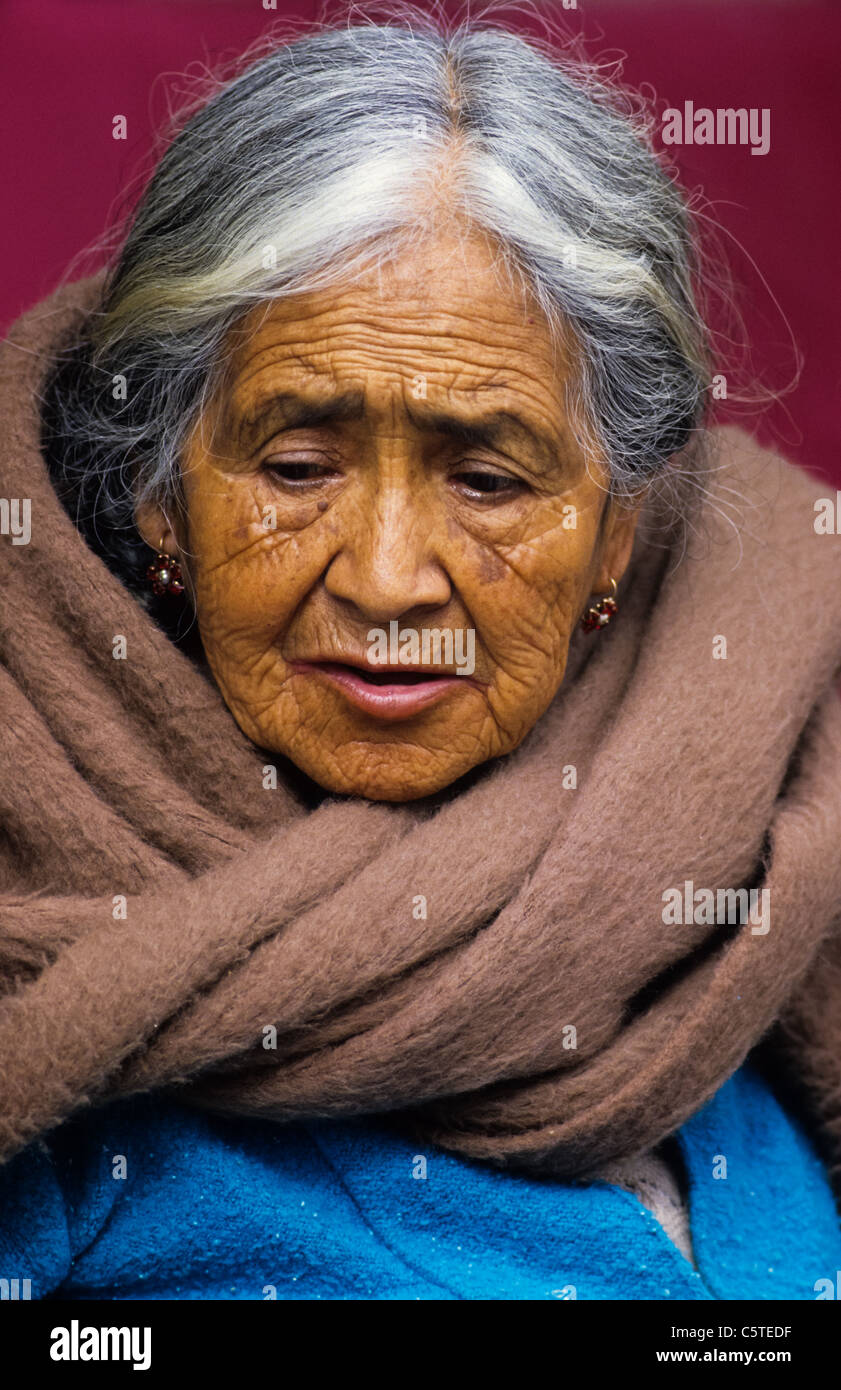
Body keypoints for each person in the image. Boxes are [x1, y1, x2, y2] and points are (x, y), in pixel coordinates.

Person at [1, 12, 840, 1301]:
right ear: (162, 500)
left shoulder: (774, 802)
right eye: (296, 467)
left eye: (491, 479)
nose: (390, 579)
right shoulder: (39, 954)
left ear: (617, 534)